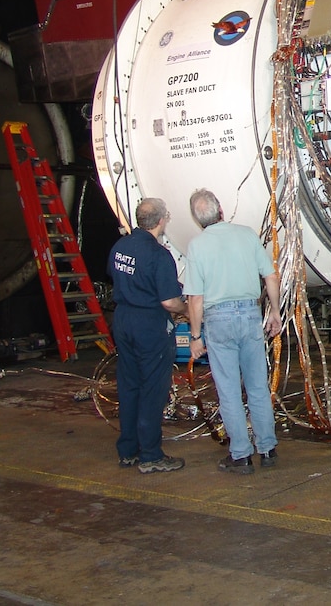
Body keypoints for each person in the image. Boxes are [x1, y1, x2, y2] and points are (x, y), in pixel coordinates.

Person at [184, 188, 282, 475]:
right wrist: (274, 311)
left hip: (219, 320)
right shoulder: (247, 234)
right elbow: (271, 275)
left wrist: (195, 336)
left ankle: (240, 455)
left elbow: (196, 299)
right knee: (257, 388)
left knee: (228, 390)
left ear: (198, 220)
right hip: (250, 315)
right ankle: (267, 448)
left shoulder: (197, 246)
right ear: (221, 211)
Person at [108, 197, 186, 474]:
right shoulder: (158, 255)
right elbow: (169, 302)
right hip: (149, 323)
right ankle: (151, 454)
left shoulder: (121, 247)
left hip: (123, 319)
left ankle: (128, 449)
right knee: (153, 388)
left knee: (129, 385)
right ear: (162, 220)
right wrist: (188, 310)